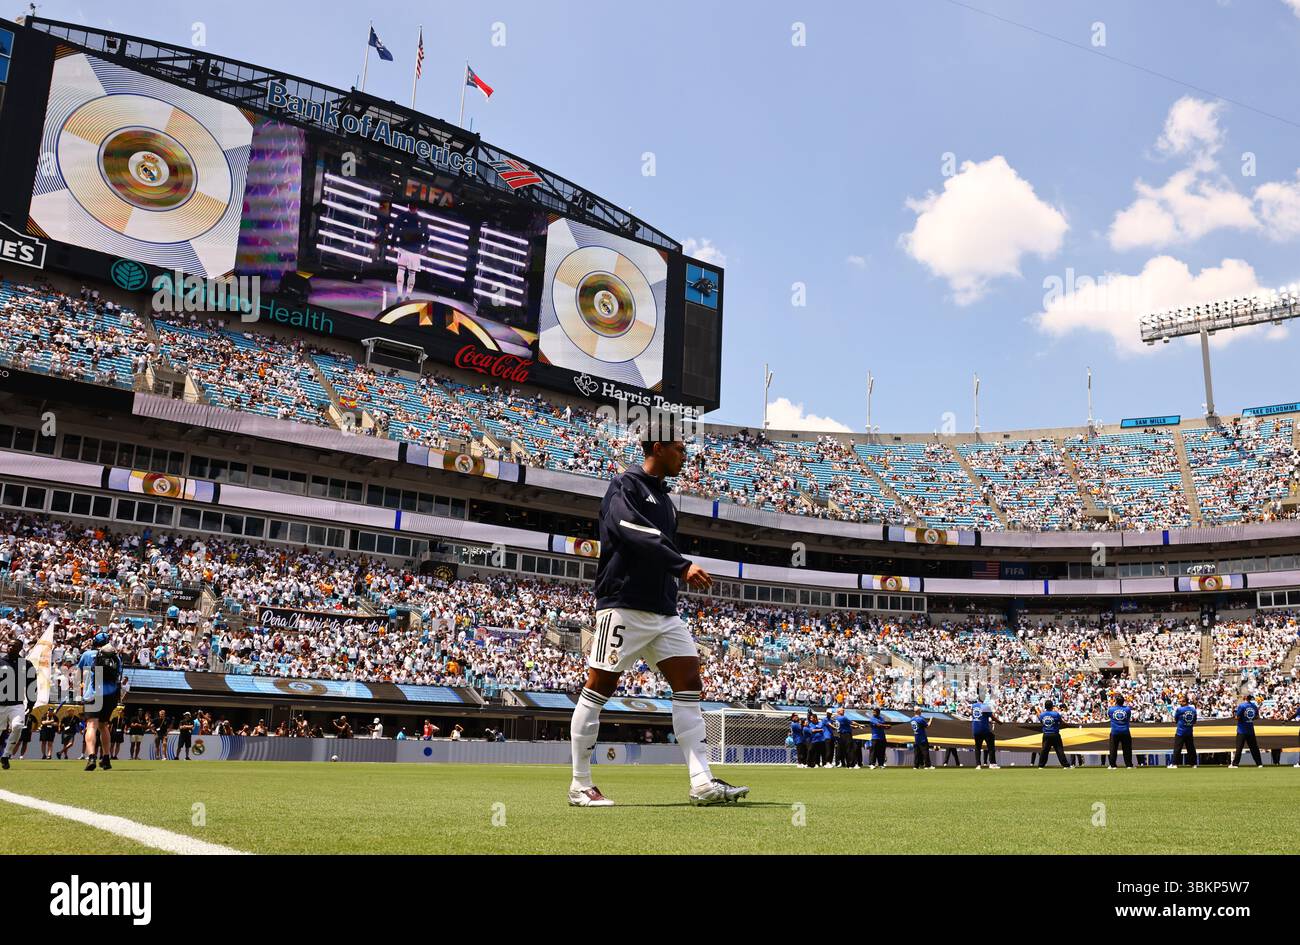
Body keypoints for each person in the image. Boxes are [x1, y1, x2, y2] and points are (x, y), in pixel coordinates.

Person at [568, 432, 747, 807]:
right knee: (599, 687)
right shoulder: (625, 485)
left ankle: (702, 781)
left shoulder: (666, 500)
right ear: (657, 448)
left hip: (664, 612)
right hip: (623, 604)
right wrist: (681, 566)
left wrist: (674, 576)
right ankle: (580, 784)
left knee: (689, 683)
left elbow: (657, 543)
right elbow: (631, 531)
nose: (685, 456)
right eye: (680, 449)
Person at [76, 631, 122, 771]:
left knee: (91, 726)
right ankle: (106, 758)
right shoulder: (116, 657)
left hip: (93, 694)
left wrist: (79, 695)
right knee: (103, 726)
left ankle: (91, 757)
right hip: (110, 695)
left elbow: (78, 676)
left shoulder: (87, 655)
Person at [0, 640, 27, 770]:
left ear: (20, 648)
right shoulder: (0, 661)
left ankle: (6, 755)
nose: (9, 647)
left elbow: (31, 683)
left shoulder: (26, 664)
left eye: (13, 646)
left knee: (17, 726)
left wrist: (31, 703)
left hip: (16, 704)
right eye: (8, 645)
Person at [1230, 694, 1263, 768]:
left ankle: (1235, 764)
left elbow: (1237, 717)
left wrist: (1234, 714)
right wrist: (1250, 719)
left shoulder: (1242, 706)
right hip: (1250, 729)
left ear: (1245, 697)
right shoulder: (1254, 706)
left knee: (1239, 748)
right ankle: (1259, 764)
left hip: (1242, 730)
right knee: (1254, 748)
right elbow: (1257, 717)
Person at [1036, 700, 1071, 769]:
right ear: (1052, 706)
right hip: (1055, 734)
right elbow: (1061, 722)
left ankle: (1041, 765)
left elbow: (1040, 720)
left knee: (1044, 750)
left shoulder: (1042, 715)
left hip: (1046, 734)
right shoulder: (1056, 714)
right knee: (1059, 750)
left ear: (1045, 706)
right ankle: (1065, 765)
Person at [1106, 694, 1134, 769]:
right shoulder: (1127, 709)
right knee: (1127, 749)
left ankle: (1112, 765)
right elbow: (1128, 717)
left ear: (1116, 701)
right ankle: (1129, 764)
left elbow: (1109, 716)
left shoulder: (1111, 709)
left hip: (1115, 731)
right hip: (1125, 731)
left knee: (1113, 749)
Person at [1170, 694, 1198, 768]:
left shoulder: (1180, 710)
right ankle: (1193, 764)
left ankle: (1175, 764)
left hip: (1180, 732)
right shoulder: (1193, 709)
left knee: (1177, 748)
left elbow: (1176, 719)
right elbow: (1194, 720)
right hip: (1189, 731)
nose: (1180, 702)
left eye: (1181, 701)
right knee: (1191, 748)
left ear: (1185, 702)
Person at [971, 698, 999, 769]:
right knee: (991, 747)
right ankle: (992, 763)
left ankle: (978, 765)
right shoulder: (985, 706)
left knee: (977, 747)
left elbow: (978, 716)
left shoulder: (973, 706)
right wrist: (1000, 722)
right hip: (984, 729)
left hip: (975, 729)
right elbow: (992, 717)